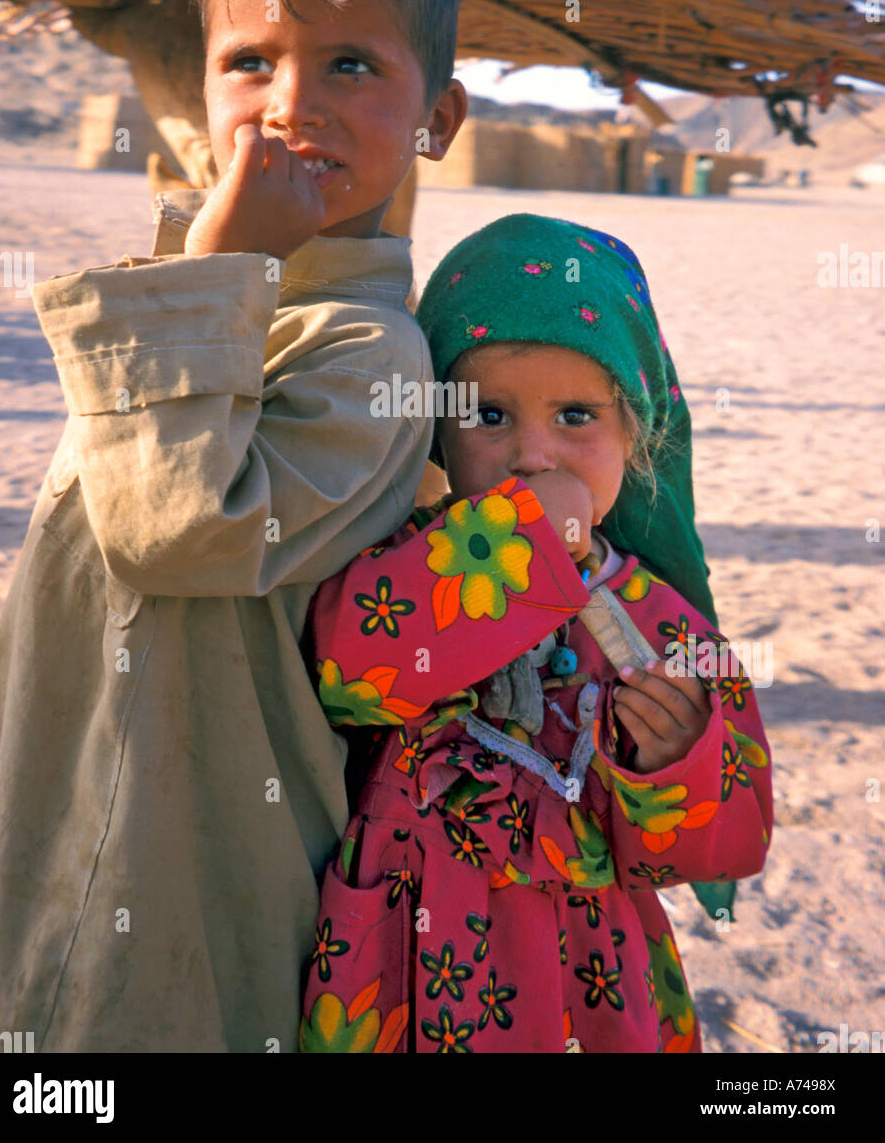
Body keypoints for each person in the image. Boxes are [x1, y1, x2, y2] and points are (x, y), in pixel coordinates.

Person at [0, 0, 486, 1052]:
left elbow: (178, 527)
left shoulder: (371, 355)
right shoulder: (203, 296)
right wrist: (216, 272)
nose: (287, 105)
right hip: (57, 794)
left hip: (184, 867)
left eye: (352, 64)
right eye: (249, 62)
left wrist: (221, 265)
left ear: (439, 122)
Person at [299, 214, 772, 1053]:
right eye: (490, 416)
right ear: (438, 433)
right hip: (405, 951)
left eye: (577, 416)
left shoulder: (659, 618)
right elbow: (345, 673)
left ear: (637, 431)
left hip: (589, 975)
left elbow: (726, 839)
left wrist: (674, 760)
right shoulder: (407, 565)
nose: (534, 453)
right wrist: (511, 553)